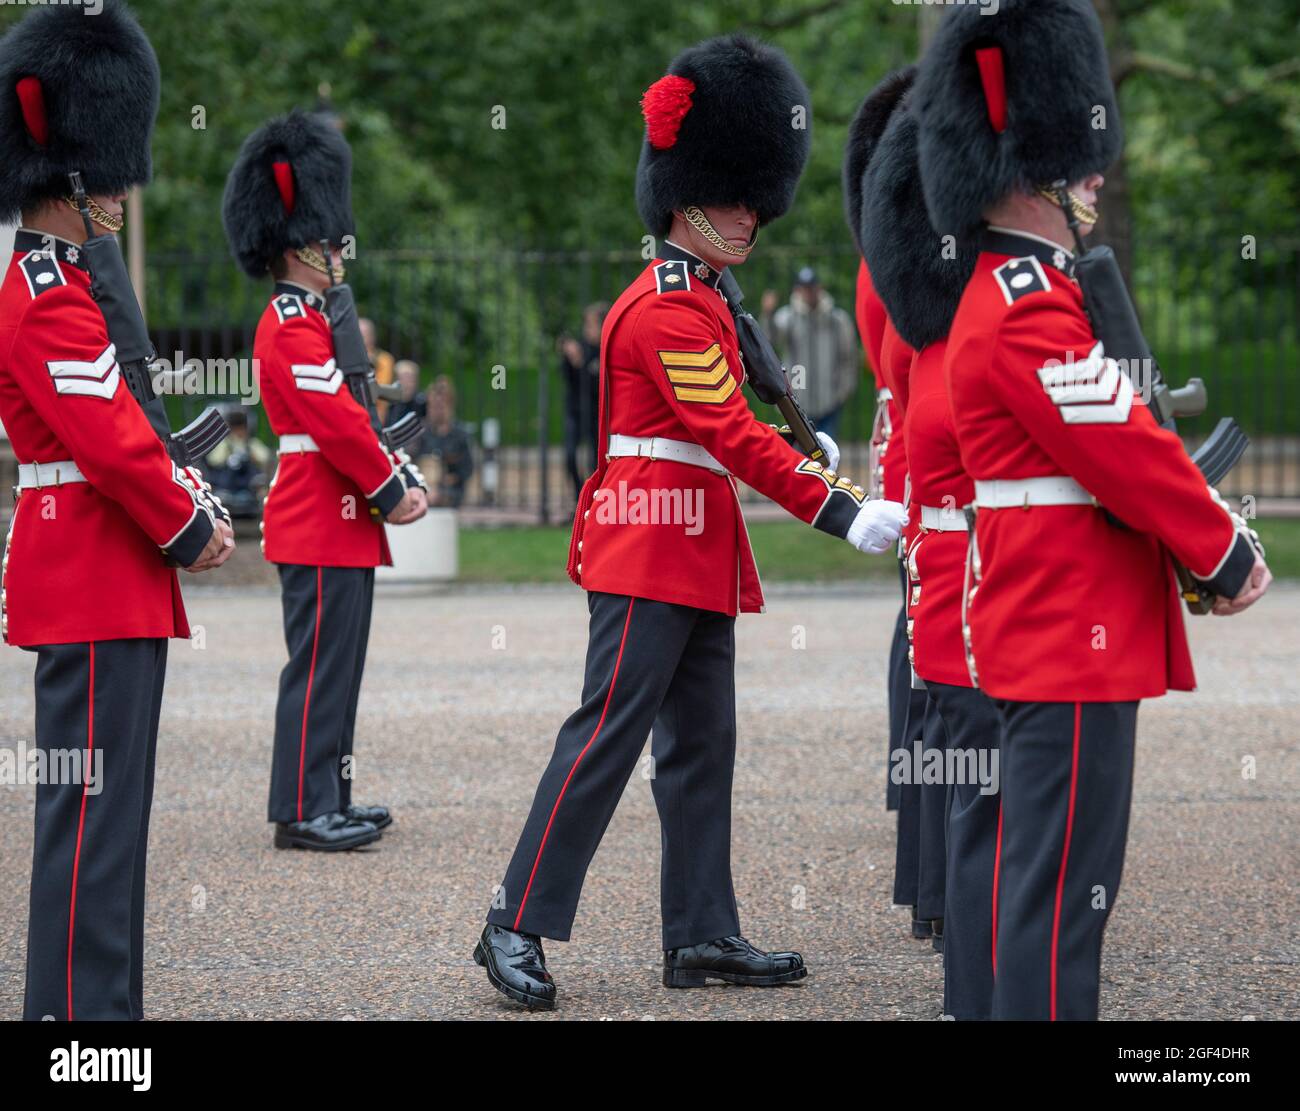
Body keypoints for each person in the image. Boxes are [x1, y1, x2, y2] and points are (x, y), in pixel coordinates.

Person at [474, 34, 907, 1012]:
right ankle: (512, 918)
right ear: (682, 197)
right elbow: (725, 431)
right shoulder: (665, 307)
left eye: (757, 196)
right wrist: (840, 509)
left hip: (696, 545)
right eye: (733, 196)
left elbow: (741, 424)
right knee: (604, 739)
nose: (751, 213)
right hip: (645, 543)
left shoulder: (707, 297)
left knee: (703, 746)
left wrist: (813, 452)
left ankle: (700, 930)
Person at [916, 0, 1270, 1020]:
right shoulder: (1025, 304)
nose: (1094, 175)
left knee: (1034, 883)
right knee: (1062, 896)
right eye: (1078, 162)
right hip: (1069, 628)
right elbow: (1126, 451)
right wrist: (1223, 547)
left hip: (1049, 620)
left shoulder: (1014, 294)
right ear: (1027, 170)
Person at [0, 0, 234, 1020]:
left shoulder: (63, 283)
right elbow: (105, 438)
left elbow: (124, 426)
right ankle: (77, 1027)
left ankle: (96, 1014)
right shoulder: (48, 291)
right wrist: (191, 526)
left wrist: (180, 494)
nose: (127, 193)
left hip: (104, 573)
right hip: (93, 574)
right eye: (117, 174)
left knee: (104, 819)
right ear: (81, 173)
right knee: (93, 820)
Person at [222, 110, 429, 853]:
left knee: (338, 671)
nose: (337, 250)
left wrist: (386, 478)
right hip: (318, 514)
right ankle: (303, 808)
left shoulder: (308, 318)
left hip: (337, 518)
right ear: (302, 246)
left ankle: (328, 794)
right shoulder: (291, 321)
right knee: (317, 672)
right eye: (327, 238)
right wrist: (392, 485)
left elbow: (348, 414)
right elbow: (337, 425)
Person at [859, 81, 994, 1017]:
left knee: (939, 714)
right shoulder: (926, 280)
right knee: (954, 718)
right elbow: (905, 383)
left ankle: (939, 888)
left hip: (932, 502)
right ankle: (948, 897)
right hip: (952, 520)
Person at [843, 67, 932, 941]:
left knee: (922, 641)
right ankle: (937, 870)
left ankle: (927, 859)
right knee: (941, 653)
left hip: (910, 445)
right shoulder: (910, 260)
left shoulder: (891, 252)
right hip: (932, 452)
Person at [760, 268, 858, 440]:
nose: (808, 292)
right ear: (798, 290)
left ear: (819, 288)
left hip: (830, 397)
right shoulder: (788, 317)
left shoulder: (837, 320)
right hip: (798, 399)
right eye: (804, 288)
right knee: (800, 453)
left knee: (828, 453)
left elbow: (848, 357)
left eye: (811, 287)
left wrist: (843, 390)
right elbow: (769, 340)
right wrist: (768, 314)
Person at [560, 302, 605, 501]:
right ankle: (580, 499)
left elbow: (600, 386)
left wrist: (582, 366)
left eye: (591, 325)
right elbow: (567, 377)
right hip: (575, 411)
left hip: (597, 413)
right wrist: (568, 355)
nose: (587, 330)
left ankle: (594, 503)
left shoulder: (605, 351)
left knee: (595, 462)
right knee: (570, 456)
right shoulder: (581, 347)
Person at [416, 374, 475, 507]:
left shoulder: (460, 435)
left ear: (450, 406)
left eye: (441, 406)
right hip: (421, 487)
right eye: (434, 406)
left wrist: (441, 484)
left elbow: (467, 469)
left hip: (450, 490)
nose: (437, 411)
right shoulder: (419, 432)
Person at [205, 407, 272, 518]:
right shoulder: (224, 444)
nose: (239, 431)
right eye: (236, 428)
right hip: (227, 485)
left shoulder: (251, 443)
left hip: (248, 486)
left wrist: (250, 455)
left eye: (241, 428)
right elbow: (213, 460)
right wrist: (229, 454)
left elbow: (265, 458)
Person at [359, 317, 395, 422]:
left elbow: (378, 391)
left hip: (377, 420)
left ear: (372, 337)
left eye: (363, 335)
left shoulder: (384, 360)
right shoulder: (345, 359)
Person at [384, 358, 424, 428]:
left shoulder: (422, 404)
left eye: (410, 379)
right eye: (403, 379)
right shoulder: (390, 405)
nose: (406, 384)